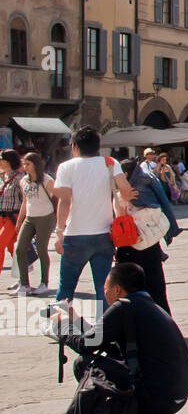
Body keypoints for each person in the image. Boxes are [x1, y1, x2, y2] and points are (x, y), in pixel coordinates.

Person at [49, 263, 188, 414]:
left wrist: (62, 325)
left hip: (155, 400)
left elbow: (85, 344)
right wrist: (75, 319)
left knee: (84, 362)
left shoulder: (122, 306)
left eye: (106, 288)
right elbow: (100, 338)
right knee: (113, 355)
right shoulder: (147, 304)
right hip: (174, 399)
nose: (105, 293)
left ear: (117, 289)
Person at [52, 126, 138, 317]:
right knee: (103, 288)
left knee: (66, 287)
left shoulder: (66, 167)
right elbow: (126, 189)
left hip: (75, 235)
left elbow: (64, 202)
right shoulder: (110, 162)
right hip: (103, 235)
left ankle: (60, 325)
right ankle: (106, 328)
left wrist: (59, 232)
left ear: (75, 146)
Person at [115, 158, 182, 315]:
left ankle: (135, 326)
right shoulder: (147, 183)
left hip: (130, 245)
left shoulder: (126, 193)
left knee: (128, 290)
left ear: (124, 174)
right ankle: (165, 323)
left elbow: (121, 219)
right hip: (151, 243)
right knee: (156, 288)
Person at [13, 152, 56, 295]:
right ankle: (24, 284)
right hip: (30, 217)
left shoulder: (46, 179)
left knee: (41, 249)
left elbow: (57, 197)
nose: (25, 167)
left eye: (28, 164)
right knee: (20, 248)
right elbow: (25, 202)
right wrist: (19, 221)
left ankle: (44, 283)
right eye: (24, 164)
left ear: (35, 164)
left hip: (45, 216)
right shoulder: (24, 181)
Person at [0, 149, 24, 276]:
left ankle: (23, 279)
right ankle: (22, 278)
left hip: (13, 217)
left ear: (8, 161)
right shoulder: (2, 177)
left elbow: (25, 200)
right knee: (11, 248)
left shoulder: (20, 178)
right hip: (1, 216)